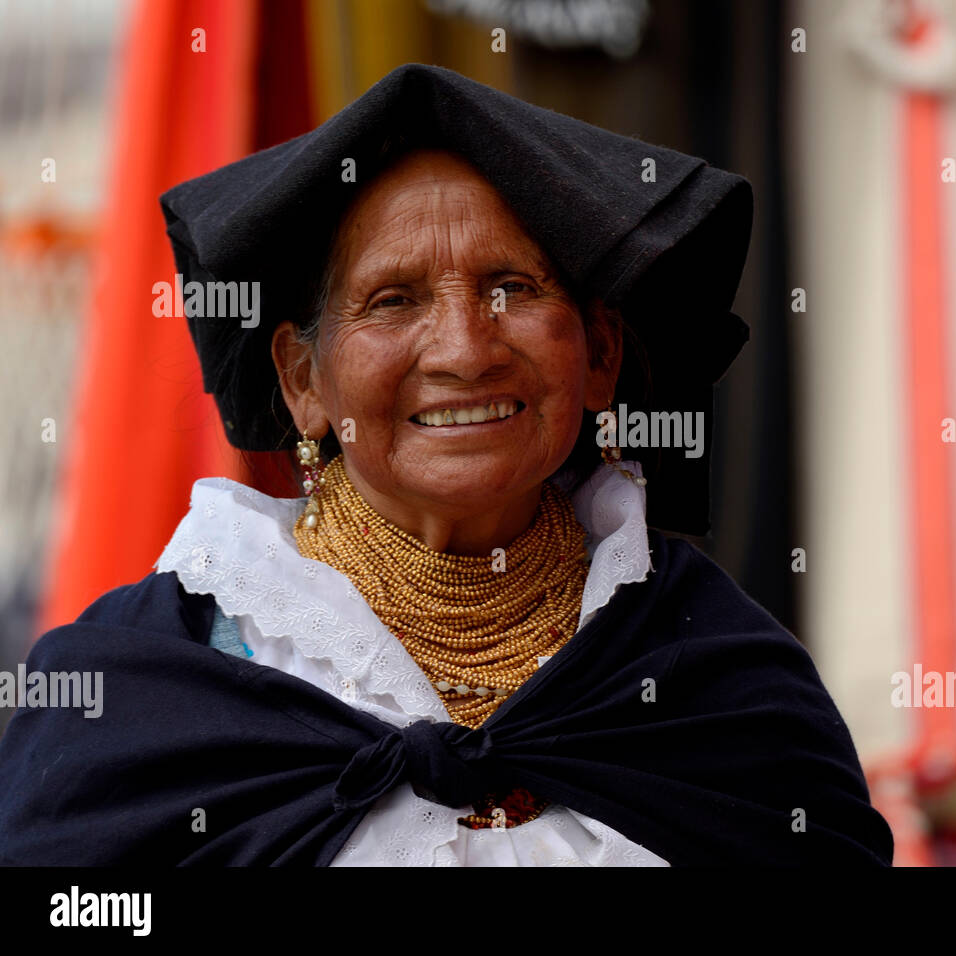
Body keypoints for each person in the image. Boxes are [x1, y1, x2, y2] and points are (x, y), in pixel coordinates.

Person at [0, 64, 893, 866]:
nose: (466, 351)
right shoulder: (139, 693)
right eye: (394, 301)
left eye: (515, 289)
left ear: (600, 357)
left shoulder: (722, 682)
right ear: (303, 380)